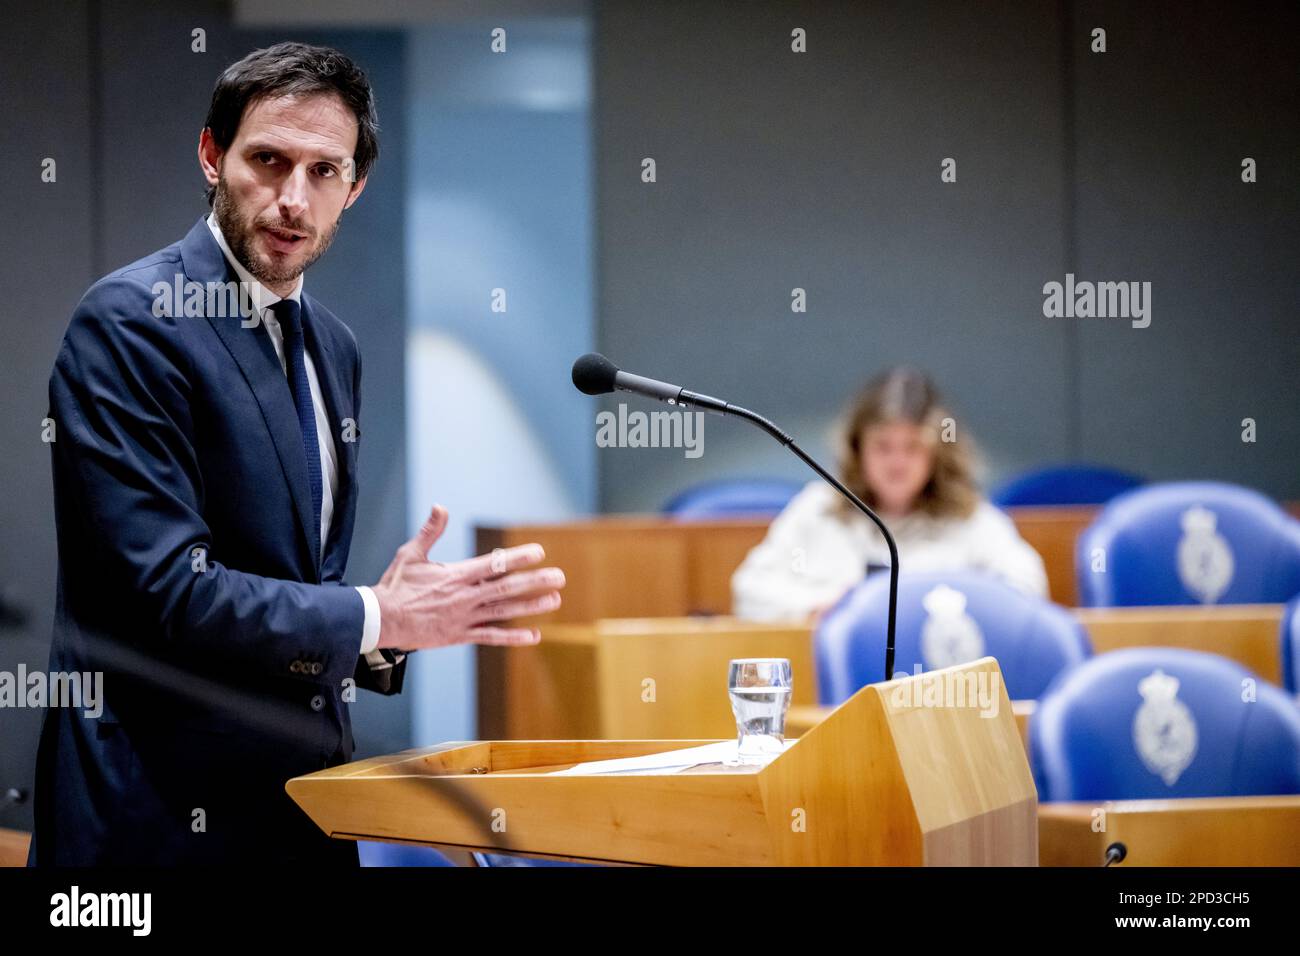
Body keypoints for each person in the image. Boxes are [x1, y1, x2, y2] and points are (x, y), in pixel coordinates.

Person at [27, 42, 565, 866]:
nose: (291, 199)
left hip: (299, 812)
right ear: (213, 156)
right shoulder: (132, 322)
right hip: (155, 823)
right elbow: (165, 596)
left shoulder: (334, 349)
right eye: (268, 160)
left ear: (354, 189)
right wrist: (373, 614)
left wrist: (381, 631)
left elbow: (295, 591)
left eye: (323, 172)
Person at [731, 367, 1046, 621]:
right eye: (883, 446)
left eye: (912, 448)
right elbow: (749, 591)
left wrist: (953, 611)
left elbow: (1027, 590)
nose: (897, 463)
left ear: (937, 454)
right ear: (857, 448)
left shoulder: (970, 517)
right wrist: (821, 609)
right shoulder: (818, 509)